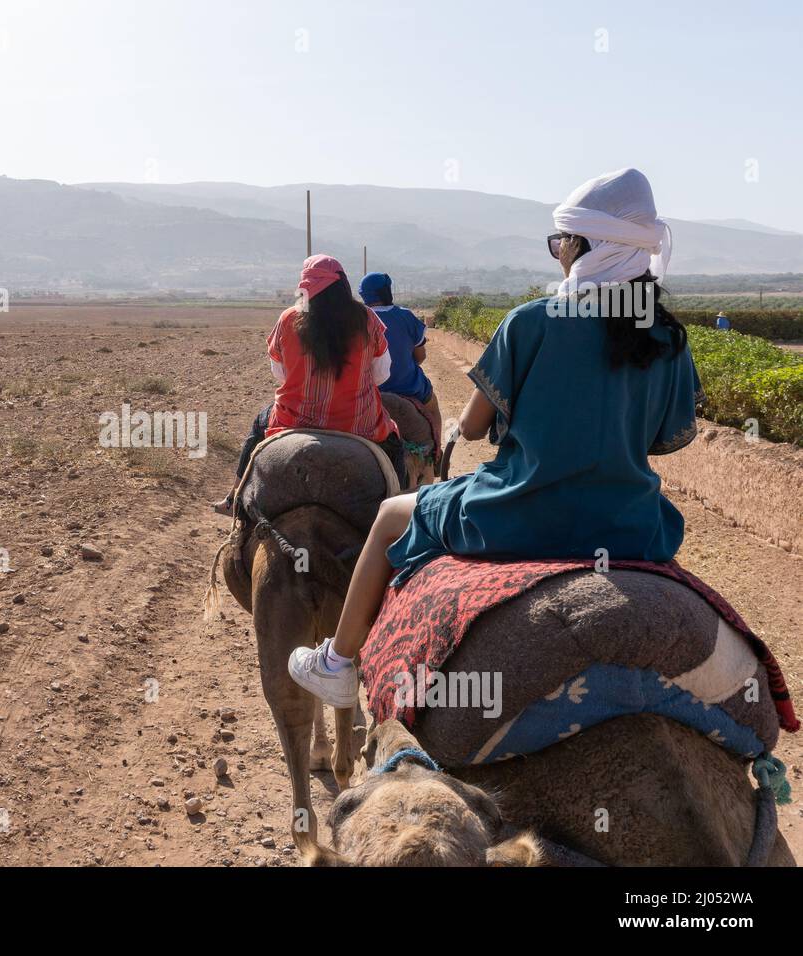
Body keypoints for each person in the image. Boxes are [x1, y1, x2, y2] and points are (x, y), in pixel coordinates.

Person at [288, 168, 702, 708]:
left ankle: (338, 665)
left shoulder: (533, 321)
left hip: (517, 512)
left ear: (584, 247)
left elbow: (478, 426)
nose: (558, 252)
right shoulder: (668, 336)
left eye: (561, 242)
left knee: (391, 514)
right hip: (631, 526)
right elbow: (667, 438)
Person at [212, 254, 403, 515]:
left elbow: (280, 373)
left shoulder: (288, 318)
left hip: (293, 420)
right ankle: (403, 519)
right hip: (359, 424)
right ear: (343, 285)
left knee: (259, 424)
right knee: (394, 443)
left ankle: (234, 499)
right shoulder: (367, 319)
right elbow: (381, 375)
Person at [359, 272, 443, 463]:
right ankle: (436, 453)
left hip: (368, 391)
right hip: (408, 387)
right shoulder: (405, 316)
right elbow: (420, 356)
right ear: (387, 291)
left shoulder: (358, 319)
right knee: (433, 406)